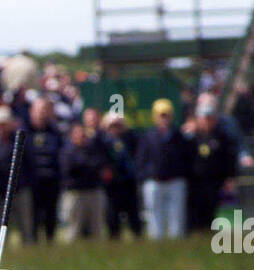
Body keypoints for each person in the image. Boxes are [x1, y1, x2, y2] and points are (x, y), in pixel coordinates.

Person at [136, 99, 190, 238]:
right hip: (154, 182)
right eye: (161, 115)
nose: (164, 119)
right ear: (155, 116)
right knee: (154, 216)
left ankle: (176, 244)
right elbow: (141, 160)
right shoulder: (148, 136)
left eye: (166, 115)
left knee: (176, 217)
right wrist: (147, 175)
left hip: (175, 182)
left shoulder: (179, 136)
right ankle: (157, 245)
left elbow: (186, 158)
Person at [184, 102, 237, 235]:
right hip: (195, 182)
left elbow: (229, 159)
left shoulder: (222, 137)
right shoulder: (192, 138)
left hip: (215, 182)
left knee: (213, 212)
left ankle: (211, 236)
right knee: (195, 212)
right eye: (204, 118)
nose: (207, 121)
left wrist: (230, 179)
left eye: (209, 118)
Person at [24, 98, 63, 243]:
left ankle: (50, 240)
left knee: (50, 214)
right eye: (38, 110)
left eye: (44, 110)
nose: (41, 113)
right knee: (32, 215)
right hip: (32, 182)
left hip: (51, 181)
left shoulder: (55, 132)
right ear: (31, 112)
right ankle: (33, 242)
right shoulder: (24, 132)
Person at [58, 122, 105, 241]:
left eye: (84, 133)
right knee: (74, 228)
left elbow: (99, 165)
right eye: (78, 133)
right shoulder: (67, 151)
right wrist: (86, 166)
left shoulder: (94, 149)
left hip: (93, 192)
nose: (82, 136)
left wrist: (83, 165)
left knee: (97, 228)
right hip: (75, 193)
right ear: (72, 135)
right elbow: (68, 169)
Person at [100, 111, 142, 239]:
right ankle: (114, 238)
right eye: (112, 126)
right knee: (112, 215)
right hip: (112, 184)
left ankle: (137, 236)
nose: (116, 129)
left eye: (118, 125)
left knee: (133, 213)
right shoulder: (103, 141)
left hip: (128, 182)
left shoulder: (130, 139)